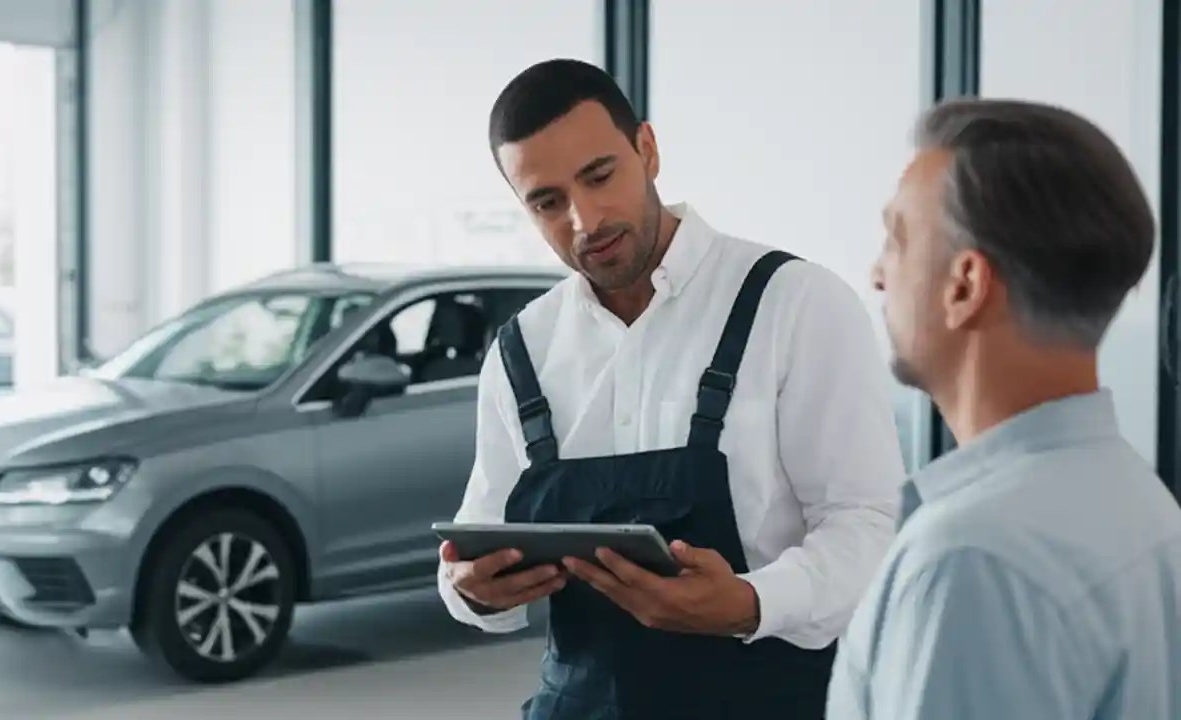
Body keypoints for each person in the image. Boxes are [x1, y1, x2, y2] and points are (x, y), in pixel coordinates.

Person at [435, 58, 906, 719]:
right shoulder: (522, 348)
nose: (585, 220)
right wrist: (471, 588)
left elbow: (867, 528)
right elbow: (474, 543)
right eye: (547, 202)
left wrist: (749, 602)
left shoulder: (794, 304)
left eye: (600, 176)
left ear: (647, 151)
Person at [825, 97, 1181, 719]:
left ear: (965, 286)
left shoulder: (973, 560)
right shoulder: (1139, 503)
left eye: (898, 240)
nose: (877, 273)